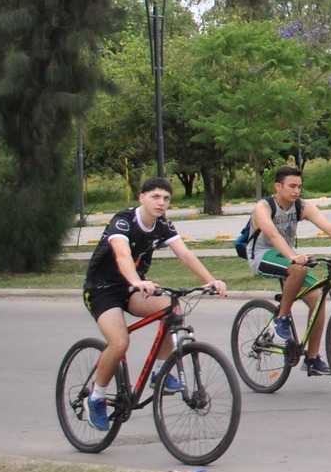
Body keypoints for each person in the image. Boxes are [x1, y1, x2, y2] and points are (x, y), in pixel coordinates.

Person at [83, 176, 226, 429]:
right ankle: (96, 397)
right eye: (155, 197)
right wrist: (137, 281)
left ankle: (159, 371)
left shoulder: (163, 226)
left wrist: (211, 280)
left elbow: (185, 254)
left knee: (172, 308)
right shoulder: (124, 222)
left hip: (133, 287)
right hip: (102, 290)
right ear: (142, 198)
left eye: (166, 198)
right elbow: (123, 254)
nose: (161, 203)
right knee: (119, 343)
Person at [248, 166, 331, 377]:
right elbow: (273, 236)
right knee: (298, 268)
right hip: (263, 255)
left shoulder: (302, 207)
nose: (296, 191)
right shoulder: (264, 207)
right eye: (291, 186)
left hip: (288, 256)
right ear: (278, 187)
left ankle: (313, 359)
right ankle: (282, 317)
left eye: (299, 186)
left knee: (317, 302)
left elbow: (330, 228)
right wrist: (292, 257)